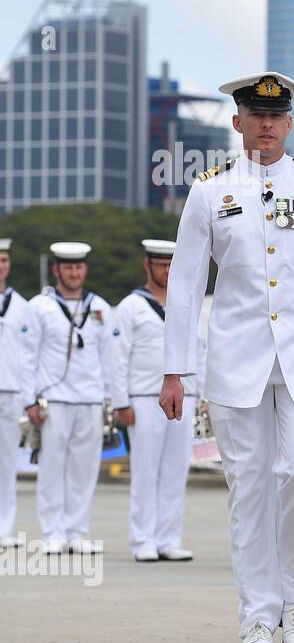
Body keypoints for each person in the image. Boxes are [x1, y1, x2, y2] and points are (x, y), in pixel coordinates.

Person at [162, 71, 294, 643]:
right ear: (237, 122)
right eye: (255, 114)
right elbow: (183, 285)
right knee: (248, 488)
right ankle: (257, 616)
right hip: (236, 360)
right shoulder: (209, 192)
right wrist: (175, 368)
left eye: (276, 116)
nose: (266, 124)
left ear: (290, 124)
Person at [110, 240, 202, 562]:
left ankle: (167, 538)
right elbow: (117, 358)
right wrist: (120, 402)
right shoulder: (130, 307)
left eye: (170, 264)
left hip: (184, 397)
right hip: (143, 398)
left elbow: (198, 350)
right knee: (145, 471)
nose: (166, 271)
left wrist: (200, 393)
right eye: (160, 265)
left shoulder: (186, 303)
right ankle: (142, 540)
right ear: (147, 266)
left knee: (176, 470)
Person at [23, 242, 115, 555]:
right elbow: (28, 357)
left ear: (84, 270)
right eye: (68, 268)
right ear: (57, 270)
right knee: (51, 467)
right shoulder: (39, 306)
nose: (74, 273)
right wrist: (31, 400)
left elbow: (109, 359)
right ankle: (52, 532)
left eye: (78, 267)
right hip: (54, 400)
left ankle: (77, 531)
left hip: (90, 399)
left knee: (85, 469)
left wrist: (110, 400)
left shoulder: (101, 307)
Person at [0, 238, 30, 548]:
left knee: (7, 462)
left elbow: (28, 354)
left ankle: (4, 527)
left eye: (4, 260)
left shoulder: (23, 306)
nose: (1, 266)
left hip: (10, 391)